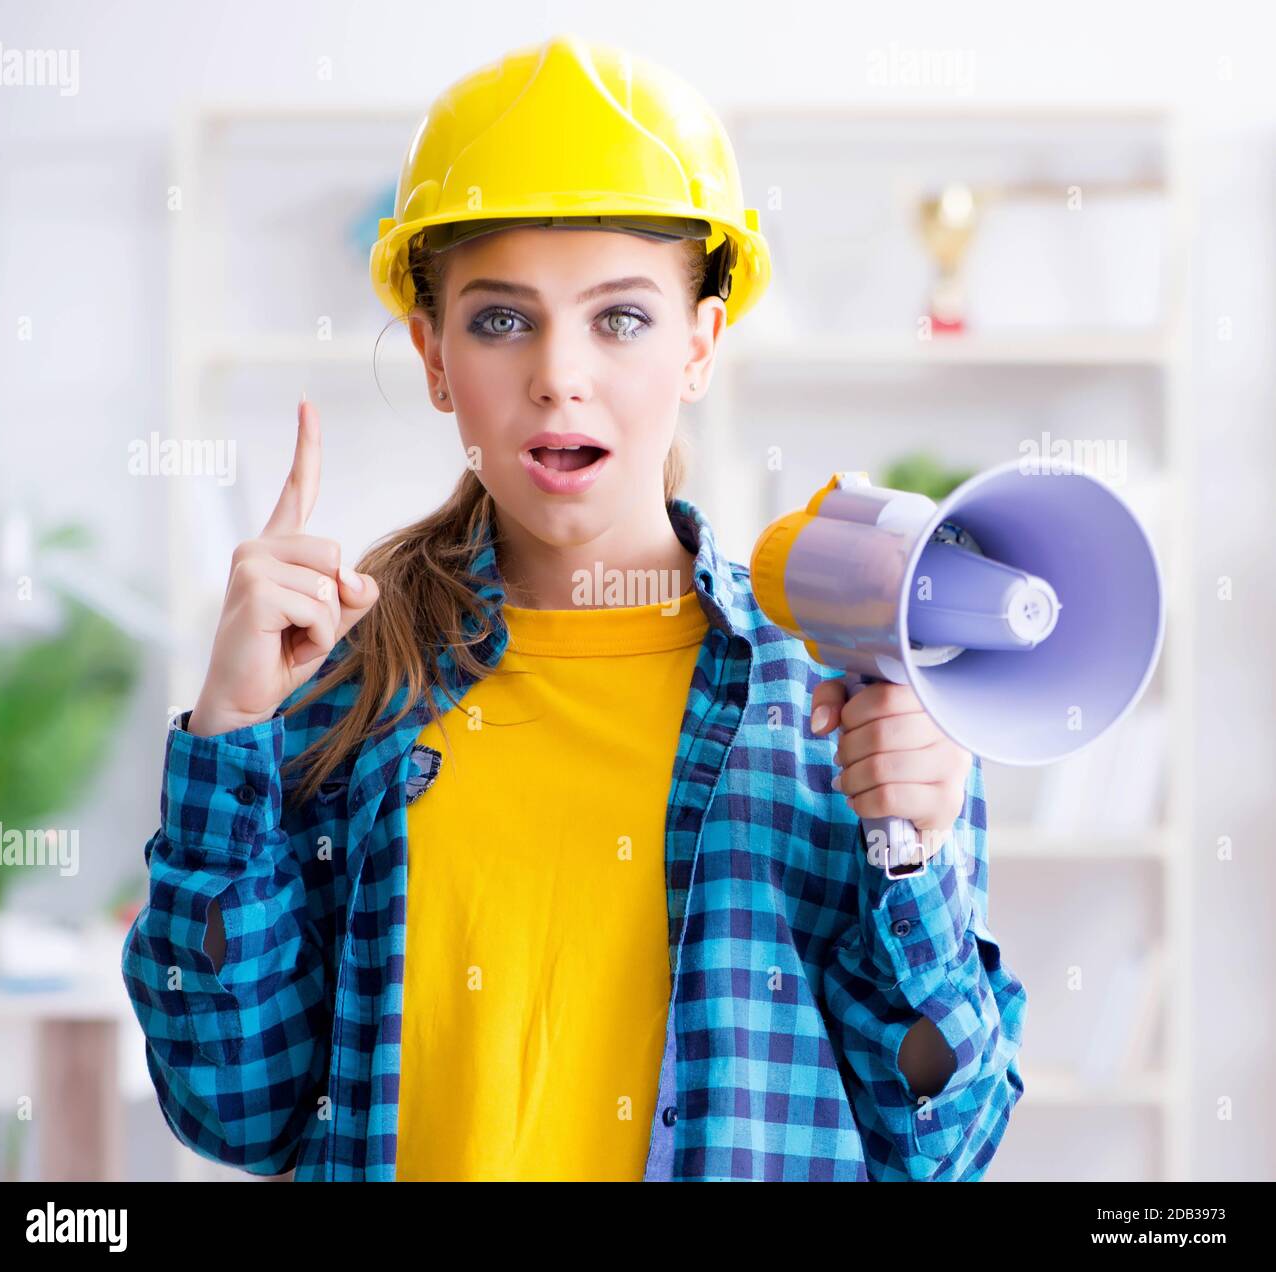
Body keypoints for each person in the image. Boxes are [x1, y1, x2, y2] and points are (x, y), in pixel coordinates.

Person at [121, 33, 1026, 1182]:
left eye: (621, 318)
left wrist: (916, 857)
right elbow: (232, 1111)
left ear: (700, 344)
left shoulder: (851, 694)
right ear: (433, 355)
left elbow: (938, 1147)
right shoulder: (339, 688)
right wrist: (227, 743)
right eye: (502, 319)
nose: (560, 374)